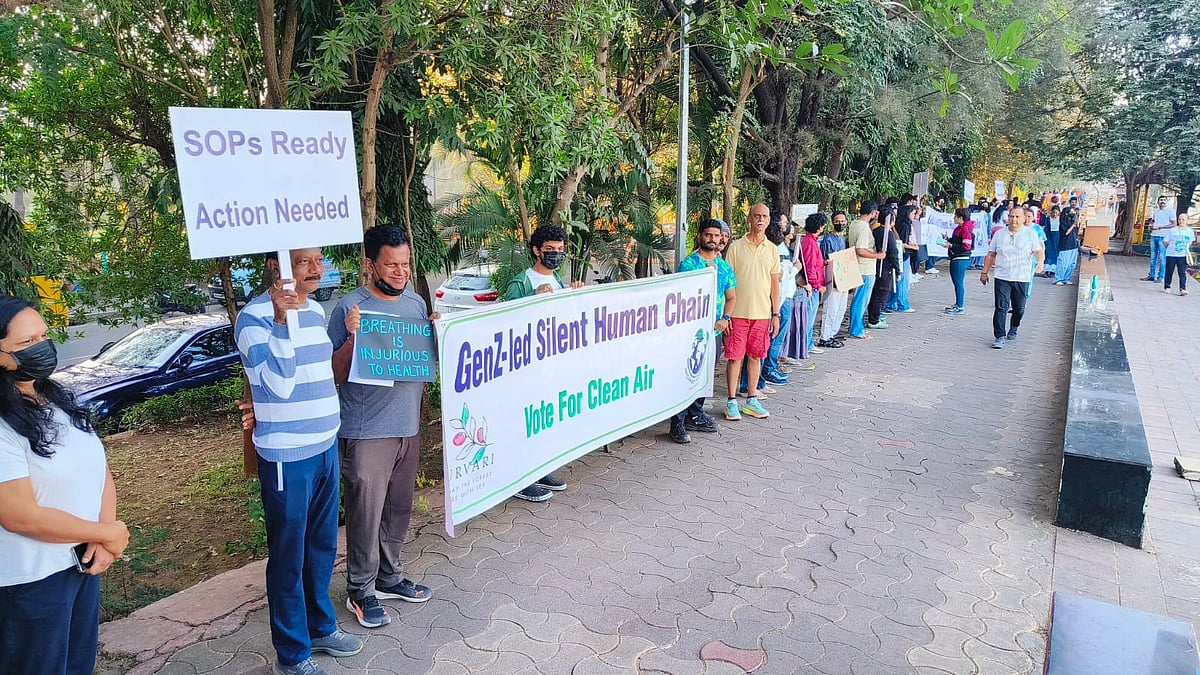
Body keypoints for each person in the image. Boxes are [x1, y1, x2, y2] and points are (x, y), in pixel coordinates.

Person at [234, 248, 363, 675]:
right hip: (287, 455)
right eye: (304, 261)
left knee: (321, 546)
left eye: (318, 260)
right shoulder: (253, 318)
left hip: (325, 445)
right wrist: (279, 319)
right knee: (289, 556)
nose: (316, 269)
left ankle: (321, 628)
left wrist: (348, 337)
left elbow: (322, 373)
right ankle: (291, 655)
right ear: (277, 266)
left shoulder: (315, 310)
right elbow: (278, 384)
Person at [0, 296, 129, 675]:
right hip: (31, 582)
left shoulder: (57, 396)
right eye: (27, 342)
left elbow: (98, 467)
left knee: (77, 665)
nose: (42, 347)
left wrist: (103, 534)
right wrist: (105, 533)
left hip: (80, 563)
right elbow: (19, 516)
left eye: (44, 336)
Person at [326, 226, 433, 629]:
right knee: (365, 514)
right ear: (370, 265)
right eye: (391, 265)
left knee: (397, 509)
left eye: (405, 264)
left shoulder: (416, 303)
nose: (400, 272)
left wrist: (440, 330)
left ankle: (390, 577)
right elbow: (332, 374)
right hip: (366, 430)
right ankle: (360, 589)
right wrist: (352, 338)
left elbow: (427, 355)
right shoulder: (349, 307)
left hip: (407, 426)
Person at [502, 224, 580, 501]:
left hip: (550, 364)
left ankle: (540, 468)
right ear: (536, 250)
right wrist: (531, 299)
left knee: (543, 420)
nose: (556, 254)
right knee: (525, 421)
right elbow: (505, 321)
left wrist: (576, 296)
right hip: (526, 365)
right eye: (549, 249)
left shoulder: (558, 280)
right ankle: (520, 479)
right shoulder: (520, 283)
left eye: (560, 250)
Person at [671, 220, 735, 444]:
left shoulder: (724, 267)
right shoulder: (689, 265)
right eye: (708, 235)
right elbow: (679, 296)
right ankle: (677, 422)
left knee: (705, 374)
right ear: (700, 236)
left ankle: (695, 414)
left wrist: (725, 319)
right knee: (686, 374)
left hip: (714, 333)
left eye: (716, 235)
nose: (712, 239)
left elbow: (731, 297)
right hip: (691, 333)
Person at [723, 203, 780, 420]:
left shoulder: (772, 249)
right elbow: (727, 282)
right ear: (749, 218)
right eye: (757, 215)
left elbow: (775, 285)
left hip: (762, 314)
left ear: (769, 220)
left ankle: (752, 399)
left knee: (756, 356)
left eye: (765, 216)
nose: (760, 219)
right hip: (737, 314)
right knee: (734, 358)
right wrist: (726, 314)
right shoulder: (736, 247)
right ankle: (731, 401)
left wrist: (775, 314)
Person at [981, 206, 1044, 349]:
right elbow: (991, 254)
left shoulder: (1030, 234)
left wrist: (1040, 262)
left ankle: (1014, 326)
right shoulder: (999, 234)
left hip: (1022, 277)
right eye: (1011, 216)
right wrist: (984, 272)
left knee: (1019, 309)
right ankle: (999, 336)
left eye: (1017, 217)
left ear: (1023, 218)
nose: (1014, 219)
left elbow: (1038, 252)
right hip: (1002, 276)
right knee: (1001, 307)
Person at [757, 215, 794, 387]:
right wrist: (795, 269)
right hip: (777, 299)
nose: (787, 225)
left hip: (785, 295)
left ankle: (768, 370)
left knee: (775, 337)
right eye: (784, 222)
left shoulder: (781, 246)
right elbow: (779, 276)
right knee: (773, 337)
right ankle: (767, 371)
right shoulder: (774, 248)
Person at [846, 202, 884, 339]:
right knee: (861, 300)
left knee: (860, 299)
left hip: (859, 266)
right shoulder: (863, 228)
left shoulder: (855, 224)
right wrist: (877, 255)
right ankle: (856, 329)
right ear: (873, 212)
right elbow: (860, 249)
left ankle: (857, 326)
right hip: (865, 268)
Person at [817, 212, 849, 349]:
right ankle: (825, 337)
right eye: (837, 221)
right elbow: (826, 261)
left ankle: (832, 334)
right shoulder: (828, 240)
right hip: (833, 280)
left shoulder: (842, 239)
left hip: (844, 280)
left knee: (840, 310)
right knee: (831, 310)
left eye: (842, 221)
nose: (840, 223)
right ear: (832, 222)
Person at [866, 205, 900, 330]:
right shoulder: (887, 234)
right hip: (884, 267)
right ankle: (874, 319)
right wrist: (898, 270)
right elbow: (893, 253)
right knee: (881, 293)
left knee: (876, 293)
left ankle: (874, 316)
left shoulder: (875, 231)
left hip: (876, 265)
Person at [798, 213, 827, 354]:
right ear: (820, 227)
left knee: (810, 316)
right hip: (812, 286)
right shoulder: (810, 243)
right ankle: (804, 345)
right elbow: (809, 267)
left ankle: (808, 343)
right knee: (809, 318)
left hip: (814, 284)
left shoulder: (810, 241)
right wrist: (816, 285)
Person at [885, 204, 917, 313]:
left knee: (897, 280)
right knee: (903, 281)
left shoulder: (900, 224)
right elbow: (901, 243)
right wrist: (913, 247)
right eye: (913, 213)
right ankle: (902, 304)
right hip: (903, 255)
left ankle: (892, 302)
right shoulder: (905, 226)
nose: (914, 216)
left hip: (901, 255)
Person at [944, 208, 975, 315]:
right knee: (957, 282)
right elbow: (958, 241)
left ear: (960, 218)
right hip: (956, 257)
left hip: (960, 258)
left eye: (955, 216)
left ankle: (960, 306)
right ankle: (958, 304)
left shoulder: (965, 229)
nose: (954, 218)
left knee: (958, 283)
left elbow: (966, 246)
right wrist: (948, 239)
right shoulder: (960, 228)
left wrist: (951, 246)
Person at [1143, 196, 1176, 282]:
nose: (1162, 201)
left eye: (1164, 200)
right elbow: (1153, 221)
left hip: (1164, 236)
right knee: (1153, 257)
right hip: (1154, 235)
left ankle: (1161, 277)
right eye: (1161, 200)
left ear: (1166, 202)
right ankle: (1151, 275)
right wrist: (1150, 225)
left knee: (1162, 257)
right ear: (1158, 201)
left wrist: (1160, 227)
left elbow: (1174, 224)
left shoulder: (1170, 211)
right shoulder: (1156, 211)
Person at [1162, 214, 1194, 296]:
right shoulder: (1172, 230)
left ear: (1187, 220)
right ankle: (1167, 287)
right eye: (1179, 219)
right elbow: (1165, 241)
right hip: (1171, 254)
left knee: (1182, 272)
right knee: (1169, 271)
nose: (1181, 221)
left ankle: (1183, 289)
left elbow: (1190, 242)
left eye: (1183, 219)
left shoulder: (1190, 231)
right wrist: (1170, 248)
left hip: (1183, 255)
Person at [1054, 203, 1081, 286]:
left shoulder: (1073, 222)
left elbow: (1077, 231)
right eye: (1071, 212)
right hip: (1065, 245)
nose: (1072, 214)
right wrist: (1073, 225)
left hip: (1074, 245)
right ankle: (1058, 279)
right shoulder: (1063, 223)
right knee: (1063, 263)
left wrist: (1076, 221)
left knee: (1071, 264)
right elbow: (1066, 233)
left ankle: (1066, 278)